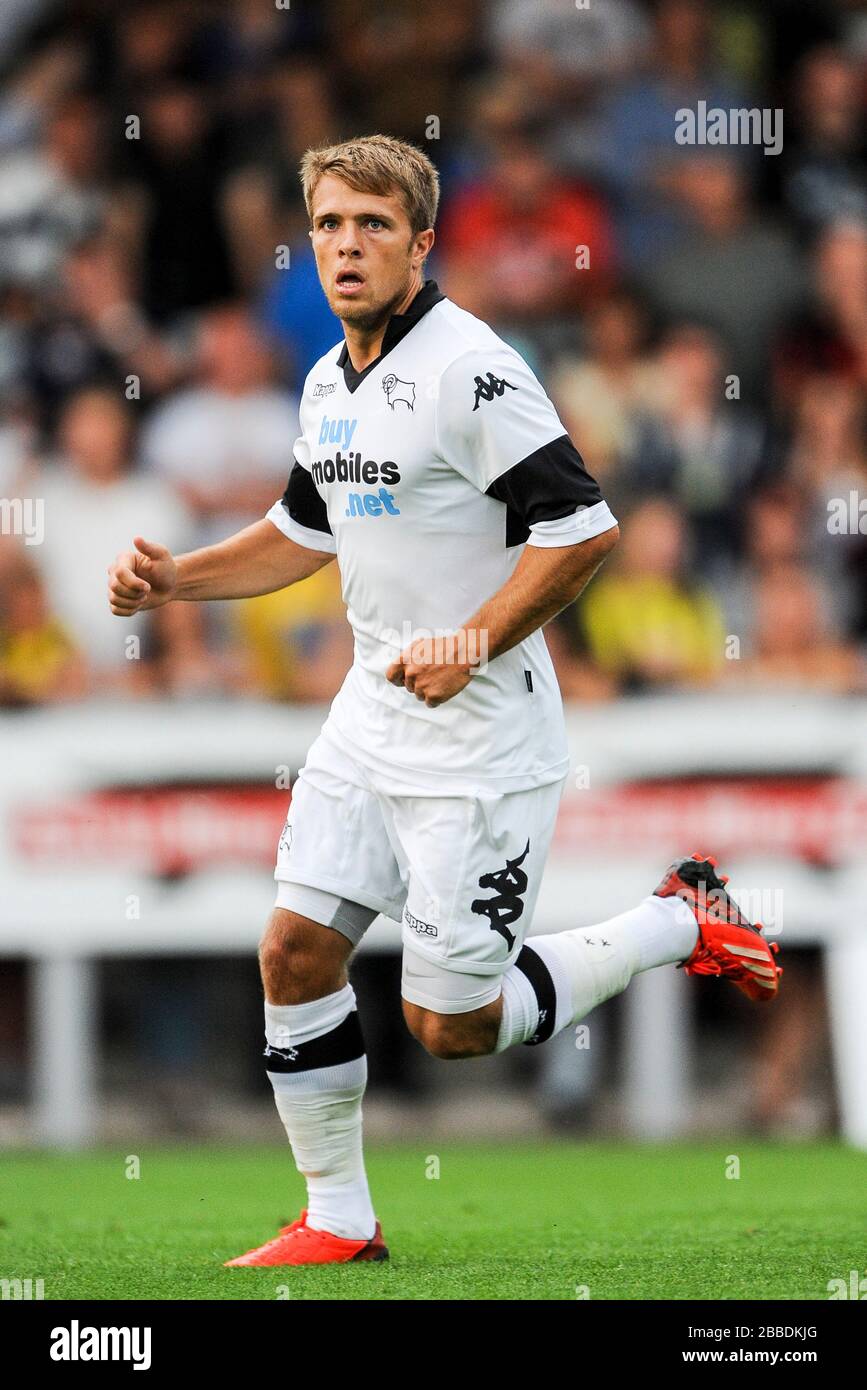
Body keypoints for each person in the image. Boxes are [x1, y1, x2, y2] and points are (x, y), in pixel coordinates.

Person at [107, 135, 782, 1268]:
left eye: (373, 224)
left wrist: (473, 640)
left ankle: (679, 918)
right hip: (369, 719)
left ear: (421, 242)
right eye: (328, 224)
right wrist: (182, 576)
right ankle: (339, 1218)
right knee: (292, 954)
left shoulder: (475, 369)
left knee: (452, 1025)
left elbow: (583, 530)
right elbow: (303, 533)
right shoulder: (327, 378)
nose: (346, 245)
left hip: (482, 738)